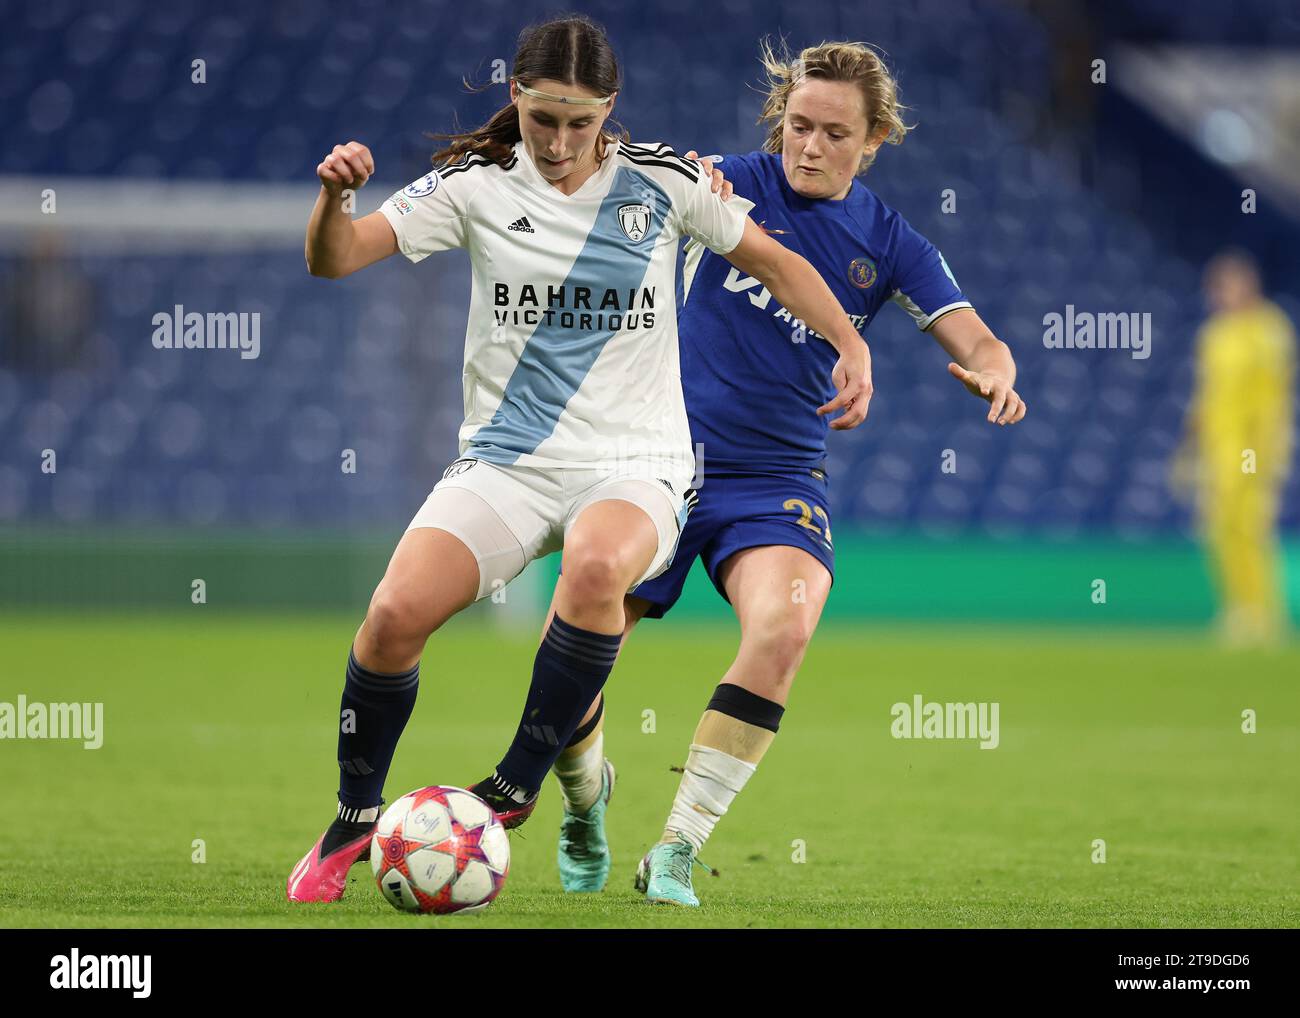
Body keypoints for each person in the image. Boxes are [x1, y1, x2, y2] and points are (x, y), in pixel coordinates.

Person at [286, 15, 874, 903]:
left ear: (609, 110)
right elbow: (338, 261)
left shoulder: (664, 184)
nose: (560, 143)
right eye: (542, 119)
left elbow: (777, 261)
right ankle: (354, 819)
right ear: (514, 100)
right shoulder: (473, 183)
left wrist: (849, 344)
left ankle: (516, 783)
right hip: (509, 460)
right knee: (391, 617)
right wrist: (335, 201)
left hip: (636, 460)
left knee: (598, 566)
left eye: (580, 121)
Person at [542, 39, 1028, 906]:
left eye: (834, 133)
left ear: (874, 138)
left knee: (787, 627)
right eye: (797, 125)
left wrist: (996, 370)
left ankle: (679, 850)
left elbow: (976, 334)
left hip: (775, 477)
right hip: (656, 458)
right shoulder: (725, 182)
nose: (808, 146)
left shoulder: (891, 244)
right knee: (583, 625)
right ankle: (585, 802)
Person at [1175, 249, 1295, 647]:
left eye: (1225, 287)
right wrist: (1188, 452)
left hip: (1256, 450)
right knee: (1218, 529)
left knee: (1251, 529)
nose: (1219, 297)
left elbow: (1274, 399)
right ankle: (1238, 608)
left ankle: (1263, 611)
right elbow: (1204, 399)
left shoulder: (1269, 330)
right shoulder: (1215, 334)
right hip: (1218, 450)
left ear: (1247, 285)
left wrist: (1271, 452)